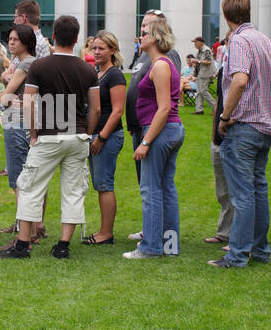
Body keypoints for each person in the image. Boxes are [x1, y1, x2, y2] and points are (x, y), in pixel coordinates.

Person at [0, 14, 98, 259]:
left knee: (29, 186)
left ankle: (22, 245)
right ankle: (63, 245)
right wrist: (88, 133)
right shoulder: (87, 68)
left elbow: (29, 103)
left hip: (48, 136)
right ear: (76, 39)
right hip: (78, 136)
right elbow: (95, 109)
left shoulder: (40, 66)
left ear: (53, 36)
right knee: (73, 192)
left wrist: (33, 134)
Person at [208, 0, 271, 269]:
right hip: (265, 126)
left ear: (226, 15)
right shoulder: (263, 40)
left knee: (243, 194)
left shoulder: (238, 40)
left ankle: (237, 254)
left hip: (245, 126)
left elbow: (239, 80)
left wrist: (225, 116)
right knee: (258, 190)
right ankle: (260, 250)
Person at [124, 15, 184, 258]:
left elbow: (164, 107)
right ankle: (169, 245)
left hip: (160, 130)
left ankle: (150, 247)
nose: (141, 36)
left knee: (151, 190)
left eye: (146, 33)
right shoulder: (161, 63)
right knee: (165, 188)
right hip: (169, 130)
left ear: (156, 38)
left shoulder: (160, 65)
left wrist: (146, 141)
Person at [0, 22, 37, 240]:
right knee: (27, 177)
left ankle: (26, 231)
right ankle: (29, 225)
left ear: (26, 41)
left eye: (15, 40)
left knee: (18, 178)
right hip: (23, 122)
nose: (11, 43)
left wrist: (6, 95)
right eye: (9, 39)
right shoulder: (25, 63)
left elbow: (5, 96)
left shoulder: (25, 64)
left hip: (18, 123)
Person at [84, 31, 126, 246]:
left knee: (104, 184)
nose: (97, 52)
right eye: (95, 48)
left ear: (112, 50)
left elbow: (118, 110)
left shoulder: (114, 75)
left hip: (107, 137)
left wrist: (101, 137)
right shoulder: (96, 73)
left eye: (102, 48)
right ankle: (104, 230)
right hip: (95, 136)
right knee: (100, 184)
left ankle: (106, 233)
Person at [205, 43, 234, 250]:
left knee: (238, 190)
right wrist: (214, 129)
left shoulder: (245, 71)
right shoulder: (225, 69)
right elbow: (219, 101)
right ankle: (225, 232)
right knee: (222, 189)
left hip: (236, 136)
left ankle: (239, 237)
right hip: (219, 136)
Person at [192, 35, 216, 113]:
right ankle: (199, 110)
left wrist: (197, 61)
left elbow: (209, 61)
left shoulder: (206, 50)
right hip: (201, 73)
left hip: (206, 73)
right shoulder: (200, 50)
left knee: (203, 91)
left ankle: (215, 106)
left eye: (195, 42)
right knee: (199, 91)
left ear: (200, 43)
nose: (194, 44)